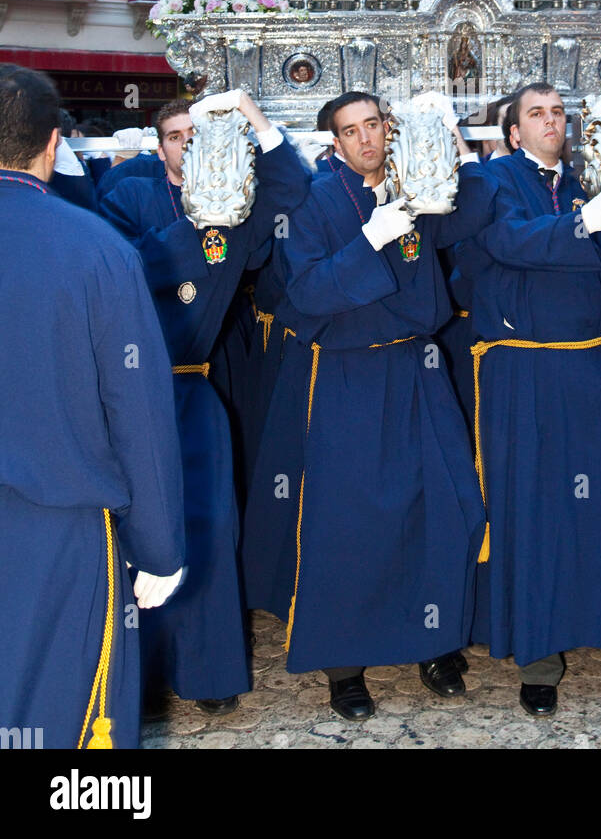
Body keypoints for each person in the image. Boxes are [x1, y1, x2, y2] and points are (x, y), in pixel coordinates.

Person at [243, 89, 494, 721]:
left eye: (375, 126)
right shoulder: (314, 201)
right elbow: (307, 289)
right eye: (351, 131)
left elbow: (476, 211)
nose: (366, 140)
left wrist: (453, 142)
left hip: (416, 367)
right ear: (335, 143)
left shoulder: (417, 181)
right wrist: (371, 239)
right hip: (347, 375)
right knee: (348, 523)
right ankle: (344, 665)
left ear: (390, 127)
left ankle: (435, 644)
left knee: (443, 505)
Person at [454, 83, 601, 716]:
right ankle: (538, 660)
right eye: (536, 113)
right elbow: (507, 241)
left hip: (597, 360)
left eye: (559, 112)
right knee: (532, 512)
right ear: (513, 133)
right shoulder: (489, 180)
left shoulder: (596, 177)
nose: (551, 121)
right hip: (522, 367)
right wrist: (584, 222)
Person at [99, 89, 310, 716]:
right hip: (130, 395)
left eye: (200, 135)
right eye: (176, 136)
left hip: (194, 390)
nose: (189, 146)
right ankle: (137, 674)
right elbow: (121, 266)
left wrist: (253, 118)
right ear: (158, 144)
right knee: (135, 535)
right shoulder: (128, 197)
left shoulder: (238, 206)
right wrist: (196, 223)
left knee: (209, 529)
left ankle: (209, 671)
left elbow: (292, 195)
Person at [0, 67, 185, 749]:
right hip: (63, 535)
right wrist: (159, 549)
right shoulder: (98, 249)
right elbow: (138, 414)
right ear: (54, 145)